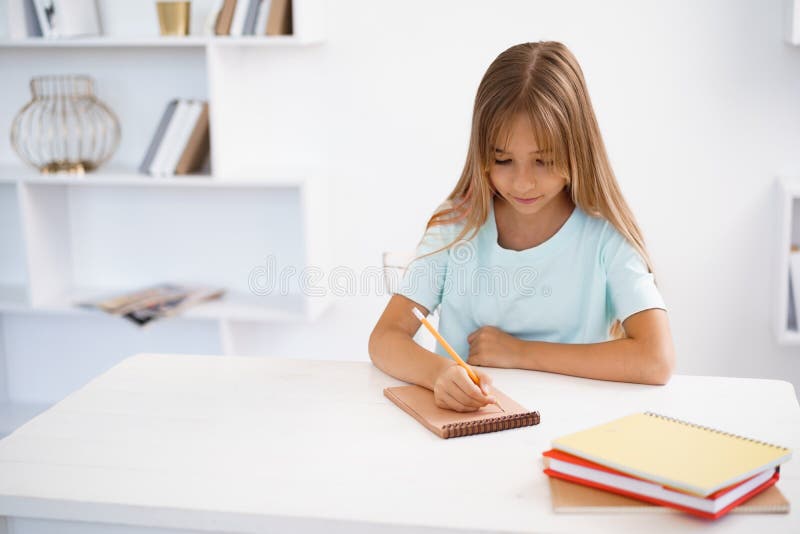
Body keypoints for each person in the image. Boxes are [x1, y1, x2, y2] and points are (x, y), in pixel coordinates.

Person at [368, 41, 675, 413]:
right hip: (472, 434)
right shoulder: (457, 224)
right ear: (483, 154)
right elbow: (385, 338)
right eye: (503, 159)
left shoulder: (604, 237)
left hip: (573, 427)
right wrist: (438, 374)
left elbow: (656, 359)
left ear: (578, 149)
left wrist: (521, 353)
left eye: (544, 161)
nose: (523, 183)